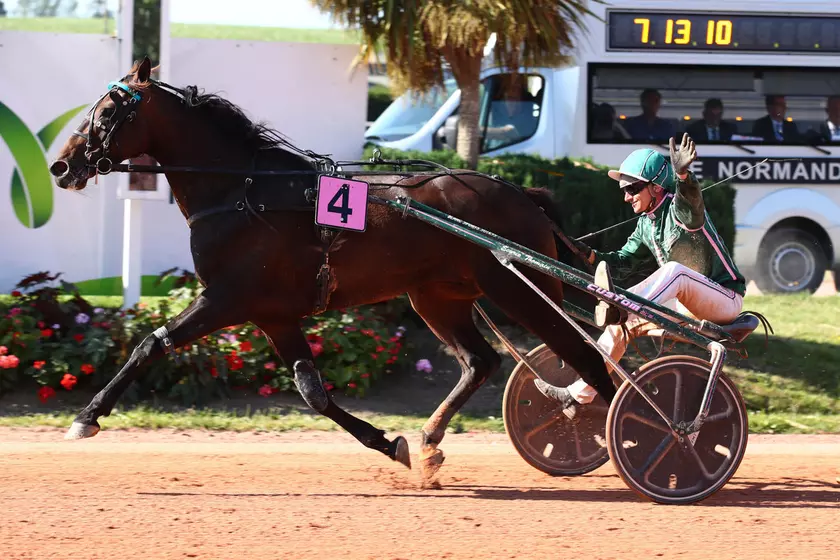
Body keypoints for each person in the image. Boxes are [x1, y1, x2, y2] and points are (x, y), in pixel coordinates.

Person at [534, 134, 747, 411]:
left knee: (674, 272)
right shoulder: (646, 224)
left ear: (656, 188)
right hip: (685, 307)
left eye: (632, 188)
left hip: (725, 300)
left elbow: (691, 203)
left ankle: (622, 304)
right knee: (619, 326)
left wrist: (683, 176)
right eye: (624, 189)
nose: (626, 197)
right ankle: (576, 395)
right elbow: (623, 262)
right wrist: (587, 254)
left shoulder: (680, 210)